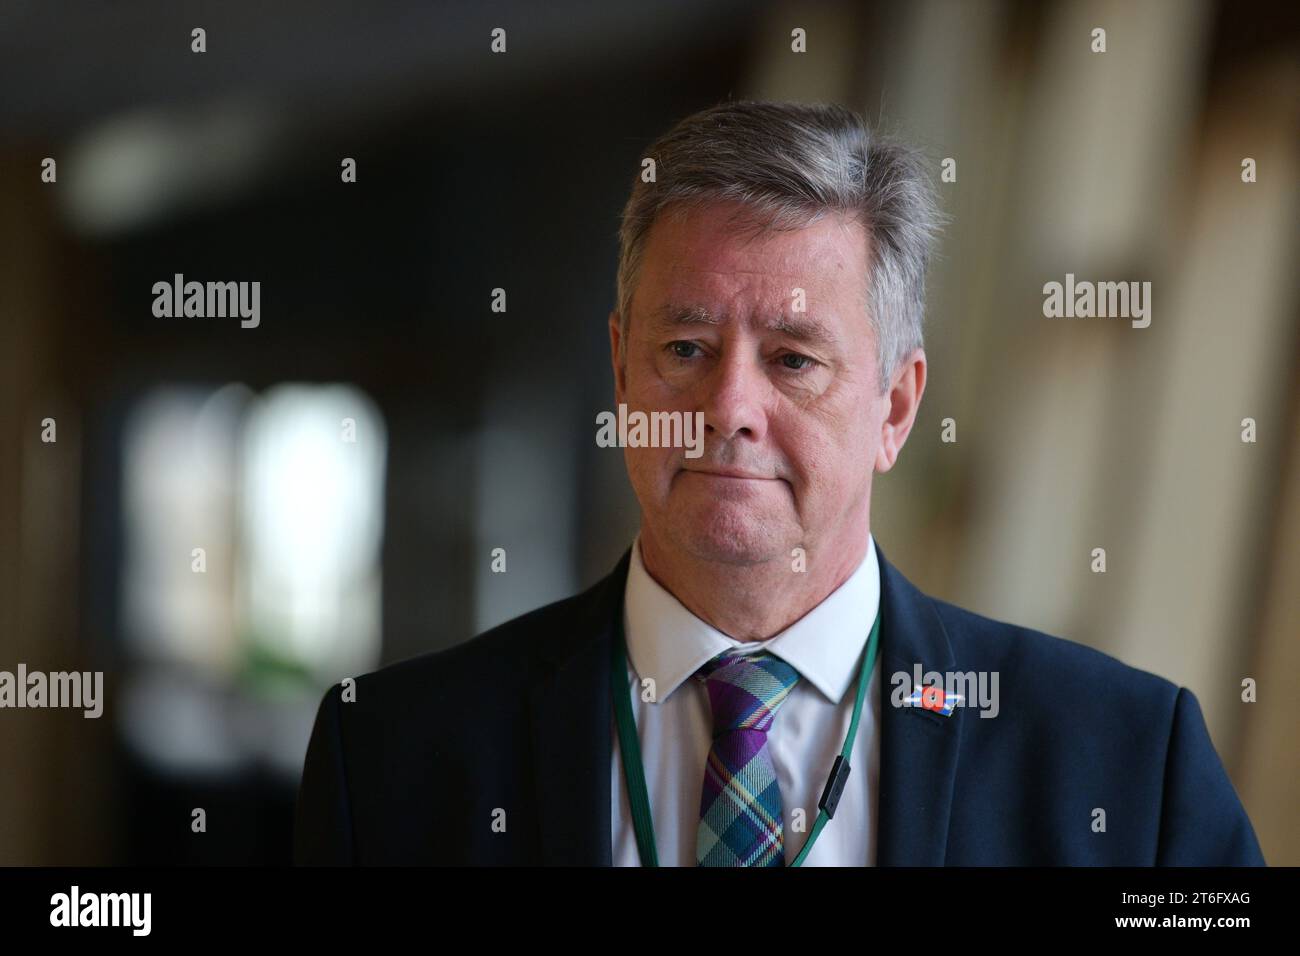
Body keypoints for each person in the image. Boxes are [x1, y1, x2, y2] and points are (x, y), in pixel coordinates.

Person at [293, 100, 1266, 866]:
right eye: (685, 346)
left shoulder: (1132, 767)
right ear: (623, 371)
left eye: (794, 359)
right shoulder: (391, 762)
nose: (729, 406)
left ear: (893, 406)